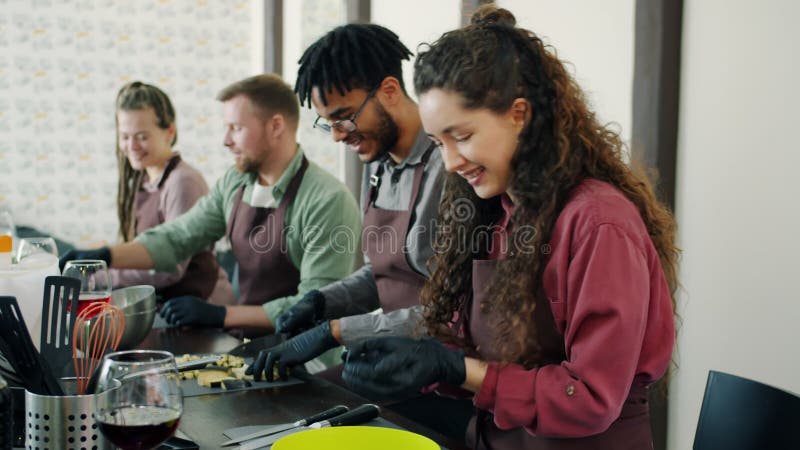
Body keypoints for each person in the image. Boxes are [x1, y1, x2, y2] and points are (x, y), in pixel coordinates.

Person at [341, 6, 679, 449]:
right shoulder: (496, 214)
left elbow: (591, 398)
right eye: (440, 143)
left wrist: (457, 370)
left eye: (461, 136)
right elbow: (481, 356)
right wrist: (422, 362)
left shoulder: (599, 224)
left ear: (519, 114)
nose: (451, 162)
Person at [245, 24, 473, 439]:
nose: (336, 135)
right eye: (327, 122)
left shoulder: (448, 170)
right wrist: (321, 302)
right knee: (280, 404)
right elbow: (382, 271)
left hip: (441, 378)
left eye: (343, 117)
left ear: (388, 90)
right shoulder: (379, 165)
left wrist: (335, 331)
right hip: (389, 358)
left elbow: (452, 313)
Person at [61, 75, 361, 361]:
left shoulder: (327, 200)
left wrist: (222, 314)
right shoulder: (235, 182)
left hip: (309, 360)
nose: (225, 141)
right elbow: (179, 236)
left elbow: (313, 303)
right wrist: (104, 255)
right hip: (248, 346)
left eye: (235, 128)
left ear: (276, 126)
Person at [110, 81, 234, 304]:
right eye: (125, 137)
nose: (132, 146)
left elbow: (169, 268)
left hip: (203, 312)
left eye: (142, 136)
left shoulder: (183, 182)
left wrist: (103, 274)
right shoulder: (142, 181)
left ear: (170, 132)